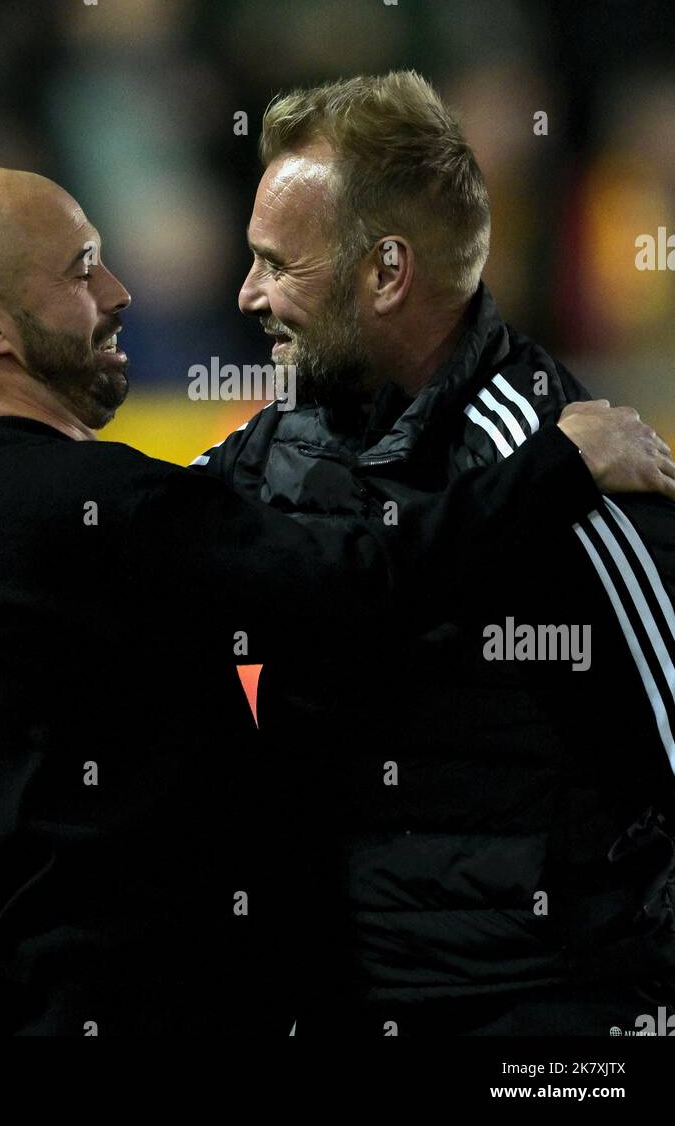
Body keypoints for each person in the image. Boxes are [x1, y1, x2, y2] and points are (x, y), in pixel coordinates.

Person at [0, 149, 672, 1037]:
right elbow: (354, 580)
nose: (123, 291)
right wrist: (554, 467)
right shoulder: (86, 507)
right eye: (82, 271)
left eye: (278, 263)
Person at [187, 71, 675, 1036]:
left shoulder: (583, 474)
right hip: (330, 1009)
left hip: (530, 1014)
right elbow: (111, 550)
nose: (248, 295)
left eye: (277, 263)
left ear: (387, 272)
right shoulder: (276, 444)